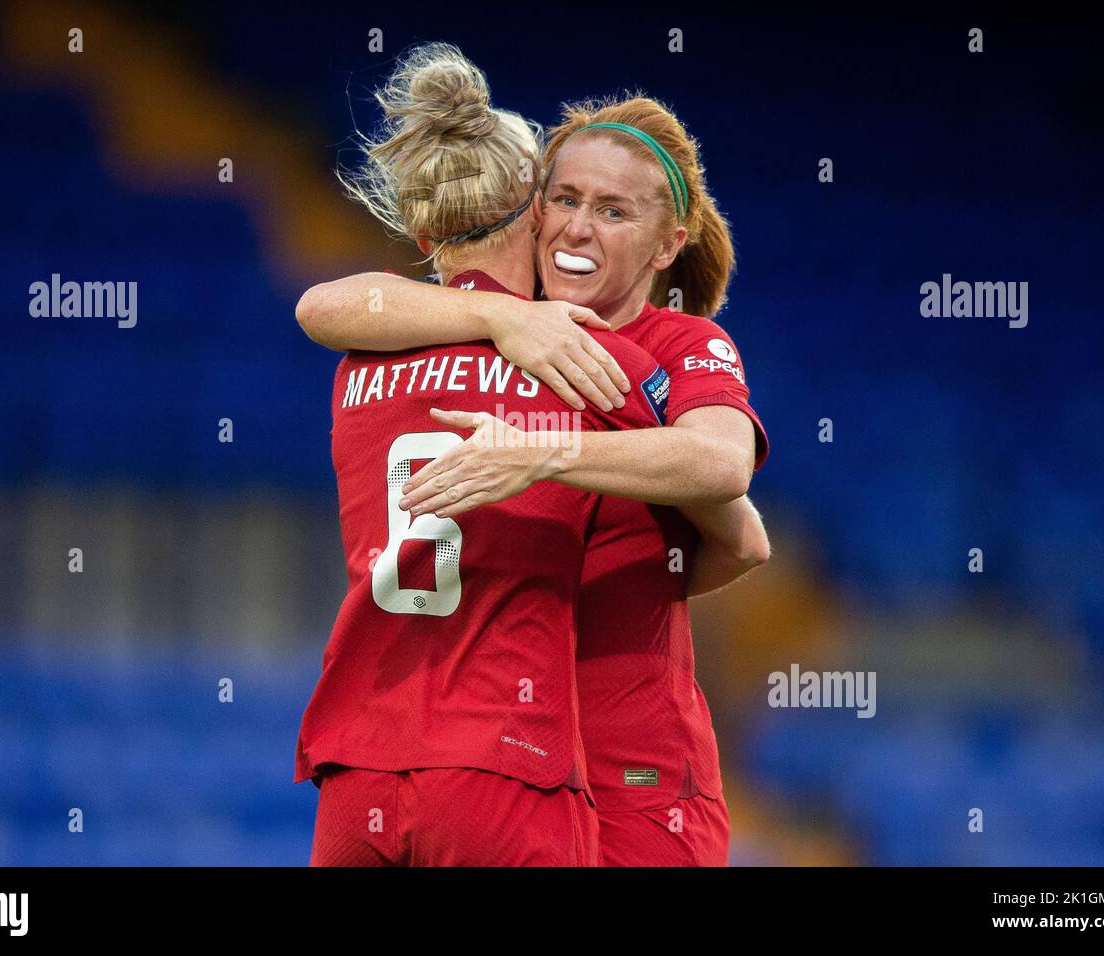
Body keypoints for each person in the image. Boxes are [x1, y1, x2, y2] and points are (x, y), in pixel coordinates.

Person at [298, 86, 772, 865]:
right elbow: (326, 304)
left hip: (633, 765)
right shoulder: (507, 325)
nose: (579, 227)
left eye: (614, 212)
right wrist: (501, 316)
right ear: (531, 210)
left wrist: (544, 453)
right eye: (565, 199)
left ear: (666, 245)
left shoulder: (679, 344)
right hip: (510, 758)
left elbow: (732, 499)